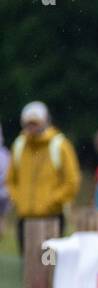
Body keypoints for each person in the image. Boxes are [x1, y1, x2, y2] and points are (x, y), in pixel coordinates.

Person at [6, 102, 81, 259]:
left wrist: (53, 201)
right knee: (28, 262)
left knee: (48, 263)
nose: (32, 127)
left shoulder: (59, 145)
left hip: (51, 219)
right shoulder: (19, 145)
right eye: (29, 123)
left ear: (45, 121)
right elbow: (11, 180)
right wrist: (19, 199)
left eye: (36, 122)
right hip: (25, 218)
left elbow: (72, 180)